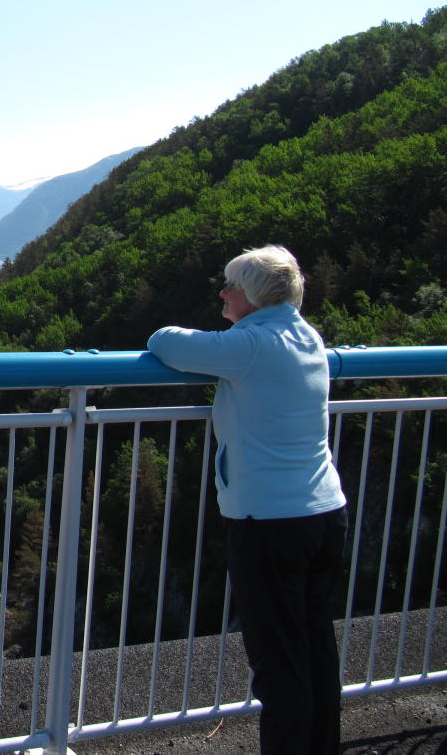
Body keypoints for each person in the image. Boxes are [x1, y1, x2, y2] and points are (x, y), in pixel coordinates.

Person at [147, 245, 348, 754]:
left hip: (270, 523)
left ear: (253, 296)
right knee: (315, 648)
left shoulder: (254, 344)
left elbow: (165, 342)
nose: (222, 292)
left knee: (278, 663)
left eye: (230, 285)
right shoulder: (307, 336)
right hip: (323, 512)